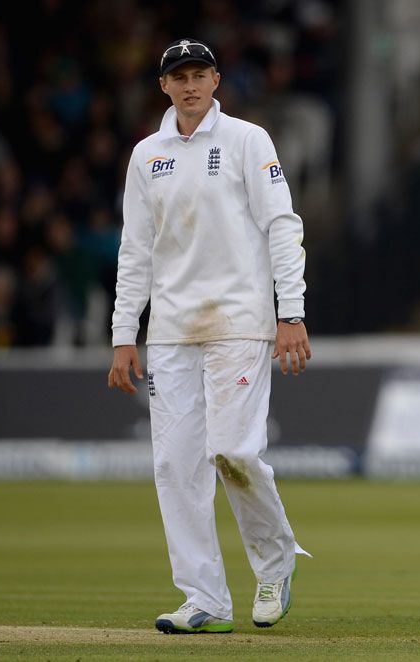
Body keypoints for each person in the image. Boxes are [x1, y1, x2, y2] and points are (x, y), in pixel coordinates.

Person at [107, 38, 311, 634]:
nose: (190, 85)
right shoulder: (147, 156)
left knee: (233, 452)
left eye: (200, 74)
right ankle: (206, 599)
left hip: (240, 322)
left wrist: (290, 313)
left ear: (217, 79)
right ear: (163, 86)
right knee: (175, 466)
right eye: (179, 77)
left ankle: (274, 565)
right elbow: (136, 250)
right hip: (172, 331)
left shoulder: (248, 140)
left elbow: (281, 224)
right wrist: (125, 334)